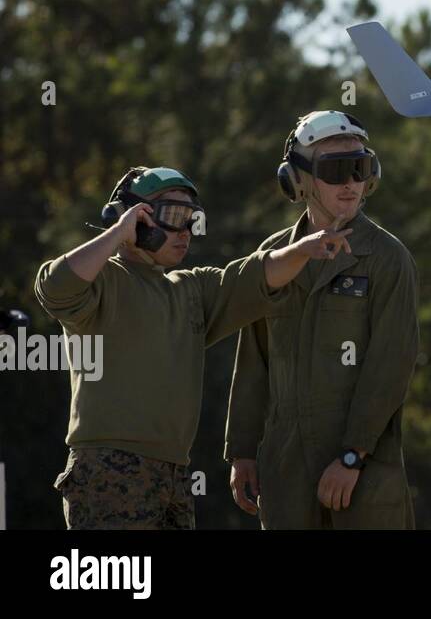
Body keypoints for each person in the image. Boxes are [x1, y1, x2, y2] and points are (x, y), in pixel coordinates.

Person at [34, 166, 349, 529]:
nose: (185, 231)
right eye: (173, 217)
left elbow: (252, 278)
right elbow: (54, 286)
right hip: (107, 468)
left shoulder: (191, 289)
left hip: (174, 472)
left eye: (191, 220)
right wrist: (118, 232)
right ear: (134, 219)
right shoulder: (104, 281)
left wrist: (303, 250)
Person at [224, 111, 419, 528]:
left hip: (361, 471)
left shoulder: (388, 259)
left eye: (360, 168)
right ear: (298, 180)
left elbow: (390, 367)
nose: (351, 183)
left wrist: (352, 455)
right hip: (285, 469)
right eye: (334, 170)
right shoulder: (274, 257)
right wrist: (241, 451)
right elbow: (253, 362)